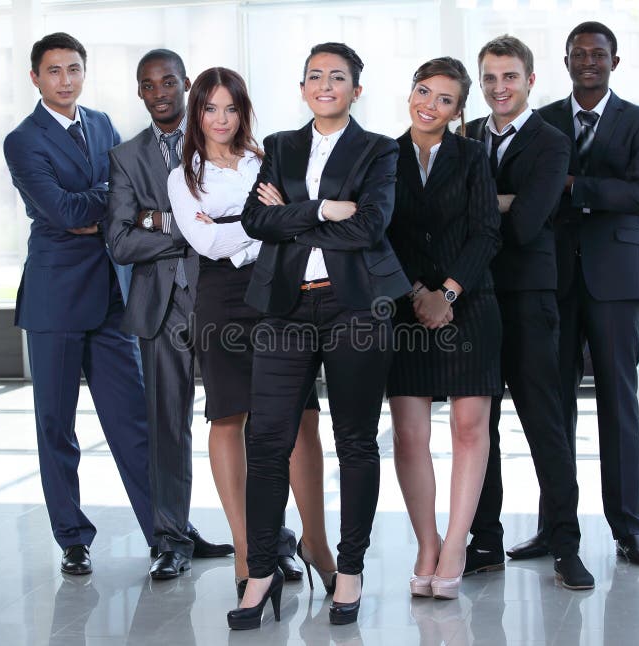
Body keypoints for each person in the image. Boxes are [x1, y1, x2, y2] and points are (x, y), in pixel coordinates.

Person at [228, 42, 409, 629]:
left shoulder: (380, 149)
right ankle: (260, 572)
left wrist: (297, 212)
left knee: (355, 441)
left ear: (357, 89)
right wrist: (327, 208)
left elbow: (372, 226)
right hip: (285, 307)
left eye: (337, 77)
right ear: (302, 88)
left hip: (355, 306)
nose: (324, 84)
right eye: (314, 76)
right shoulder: (280, 146)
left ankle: (349, 569)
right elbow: (256, 220)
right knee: (267, 441)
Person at [167, 66, 335, 598]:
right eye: (210, 108)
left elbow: (287, 225)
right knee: (229, 416)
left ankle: (316, 540)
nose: (220, 119)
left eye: (231, 108)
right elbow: (207, 245)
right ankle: (246, 548)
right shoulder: (182, 176)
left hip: (277, 292)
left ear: (244, 112)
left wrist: (235, 225)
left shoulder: (267, 162)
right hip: (221, 300)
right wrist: (257, 224)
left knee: (301, 418)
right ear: (197, 112)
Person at [509, 21, 639, 566]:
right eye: (579, 54)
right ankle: (555, 526)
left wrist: (573, 188)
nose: (589, 62)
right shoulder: (542, 120)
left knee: (619, 405)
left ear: (614, 62)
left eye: (598, 54)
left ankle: (629, 527)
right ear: (566, 61)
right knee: (553, 408)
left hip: (616, 279)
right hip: (553, 279)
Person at [3, 32, 152, 574]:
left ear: (84, 72)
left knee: (133, 420)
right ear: (36, 78)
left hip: (111, 296)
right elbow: (63, 210)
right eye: (55, 71)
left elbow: (126, 194)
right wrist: (100, 205)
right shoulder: (23, 140)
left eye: (74, 69)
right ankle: (72, 537)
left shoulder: (104, 124)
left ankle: (166, 532)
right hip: (56, 303)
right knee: (56, 427)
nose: (66, 80)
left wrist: (97, 208)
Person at [463, 35, 593, 590]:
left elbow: (526, 223)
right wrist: (502, 200)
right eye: (490, 78)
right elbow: (449, 211)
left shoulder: (551, 140)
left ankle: (565, 544)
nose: (499, 88)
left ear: (531, 80)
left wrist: (476, 208)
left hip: (530, 298)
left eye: (509, 77)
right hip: (472, 298)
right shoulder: (465, 136)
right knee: (477, 428)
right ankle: (485, 541)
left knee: (545, 425)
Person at [105, 49, 235, 581]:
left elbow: (236, 216)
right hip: (162, 307)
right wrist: (186, 229)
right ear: (140, 92)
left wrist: (156, 220)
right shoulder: (125, 157)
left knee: (238, 420)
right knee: (166, 426)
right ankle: (171, 539)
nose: (159, 91)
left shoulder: (216, 137)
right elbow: (118, 240)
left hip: (224, 298)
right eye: (148, 84)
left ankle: (264, 537)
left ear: (186, 84)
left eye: (168, 82)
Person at [386, 56, 501, 601]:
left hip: (469, 305)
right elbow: (376, 234)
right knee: (410, 434)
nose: (429, 105)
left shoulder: (473, 157)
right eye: (423, 92)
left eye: (445, 99)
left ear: (459, 112)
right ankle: (426, 542)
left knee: (469, 429)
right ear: (411, 92)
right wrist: (418, 294)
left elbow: (486, 232)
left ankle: (455, 543)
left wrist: (448, 293)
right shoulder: (381, 154)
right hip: (406, 307)